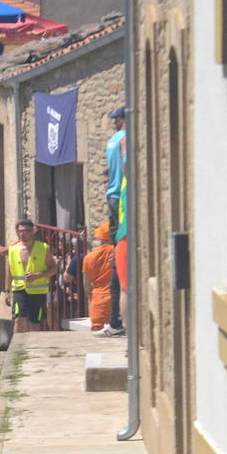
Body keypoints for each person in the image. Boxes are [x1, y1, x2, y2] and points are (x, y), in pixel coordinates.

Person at [0, 218, 60, 334]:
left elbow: (54, 269)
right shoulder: (13, 249)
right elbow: (9, 272)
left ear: (33, 231)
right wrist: (7, 291)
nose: (22, 234)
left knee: (35, 322)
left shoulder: (43, 248)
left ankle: (33, 348)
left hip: (38, 292)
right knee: (19, 319)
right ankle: (18, 348)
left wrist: (39, 275)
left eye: (26, 231)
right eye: (19, 231)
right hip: (19, 290)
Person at [104, 107, 127, 336]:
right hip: (121, 197)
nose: (114, 122)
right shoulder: (124, 139)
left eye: (116, 118)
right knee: (123, 246)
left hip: (111, 195)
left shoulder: (111, 140)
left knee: (116, 244)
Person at [82, 223, 116, 332]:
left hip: (98, 297)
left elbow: (86, 284)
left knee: (98, 332)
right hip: (116, 296)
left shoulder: (89, 257)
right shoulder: (117, 252)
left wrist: (90, 298)